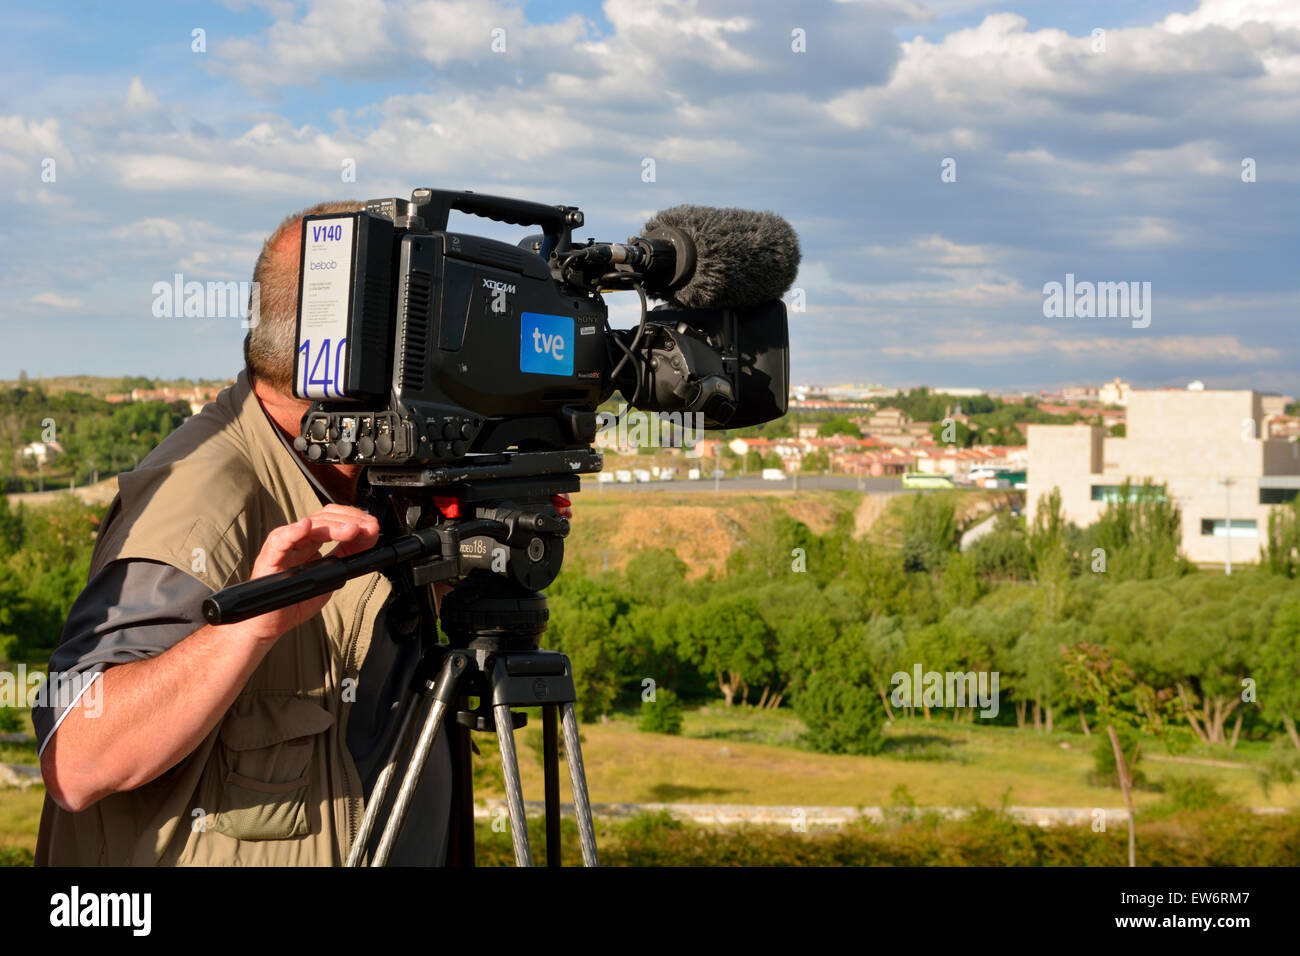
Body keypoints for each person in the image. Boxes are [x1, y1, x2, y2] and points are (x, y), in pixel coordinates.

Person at [34, 200, 455, 865]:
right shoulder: (203, 498)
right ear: (361, 353)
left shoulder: (366, 466)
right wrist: (247, 626)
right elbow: (78, 760)